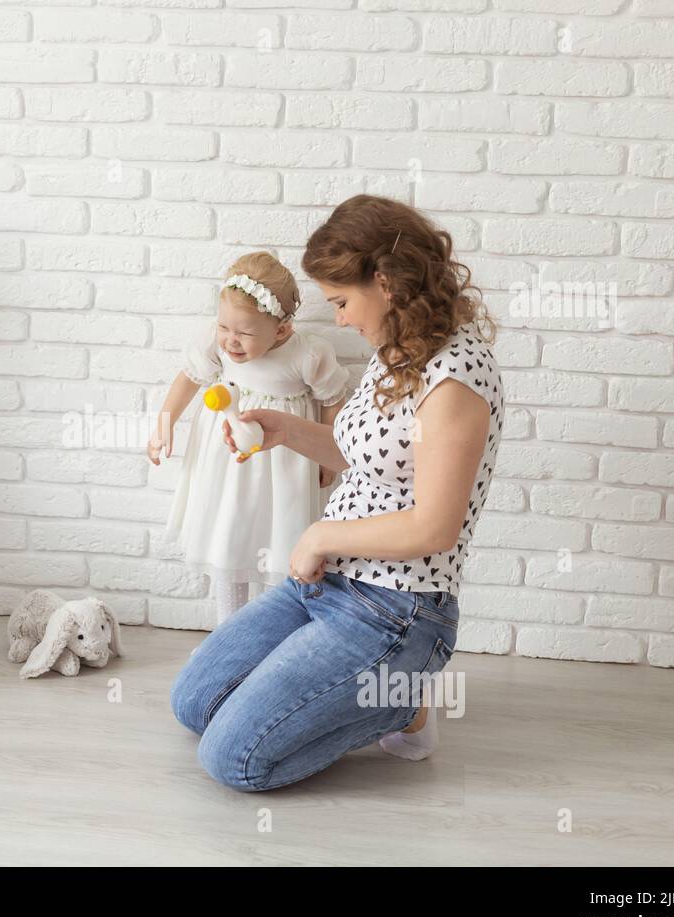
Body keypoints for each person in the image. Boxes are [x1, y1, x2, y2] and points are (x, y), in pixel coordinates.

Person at [170, 194, 505, 790]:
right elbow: (366, 458)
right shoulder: (397, 351)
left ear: (388, 283)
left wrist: (322, 533)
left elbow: (433, 526)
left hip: (395, 612)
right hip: (325, 584)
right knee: (193, 702)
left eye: (343, 302)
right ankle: (344, 695)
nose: (342, 320)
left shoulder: (453, 380)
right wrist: (286, 431)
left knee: (233, 761)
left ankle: (404, 701)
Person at [148, 252, 350, 625]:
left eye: (245, 333)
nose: (230, 341)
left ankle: (271, 631)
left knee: (280, 538)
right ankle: (228, 631)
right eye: (225, 327)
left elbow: (331, 402)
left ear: (282, 330)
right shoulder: (215, 342)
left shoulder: (307, 353)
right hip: (225, 458)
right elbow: (189, 379)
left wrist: (327, 459)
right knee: (229, 534)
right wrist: (164, 424)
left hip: (284, 462)